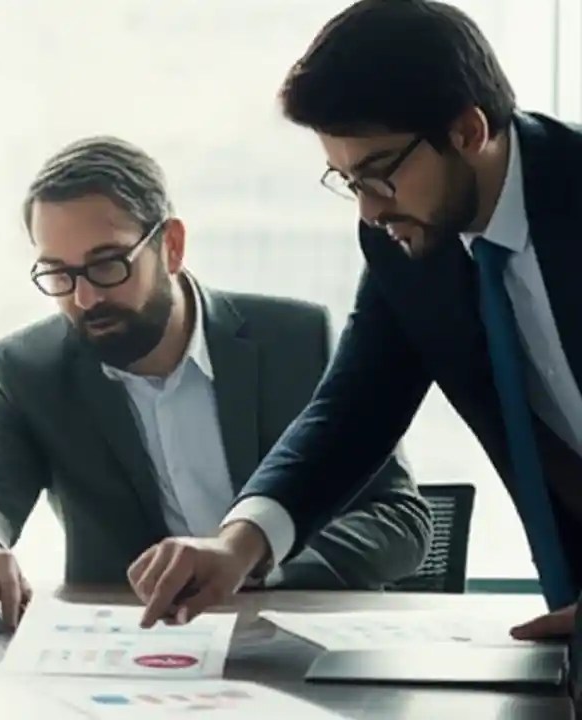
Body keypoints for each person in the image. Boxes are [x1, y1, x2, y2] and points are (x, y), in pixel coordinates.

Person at [131, 0, 582, 640]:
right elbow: (355, 406)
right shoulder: (404, 241)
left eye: (378, 174)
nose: (369, 211)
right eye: (347, 181)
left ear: (467, 130)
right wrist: (238, 545)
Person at [0, 136, 433, 628]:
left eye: (107, 265)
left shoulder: (295, 342)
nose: (84, 299)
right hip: (128, 652)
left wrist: (253, 563)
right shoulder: (30, 369)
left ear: (171, 246)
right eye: (58, 274)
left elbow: (399, 521)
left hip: (290, 645)